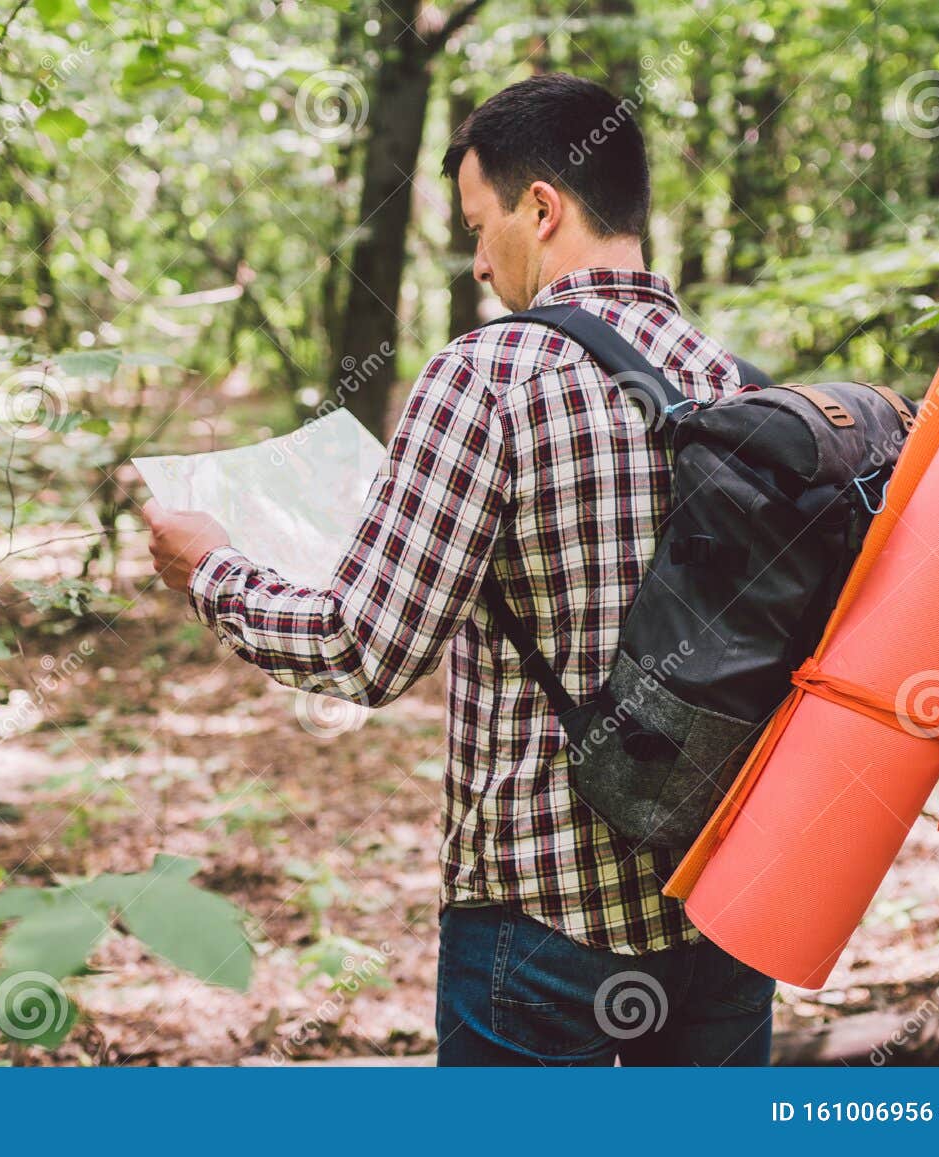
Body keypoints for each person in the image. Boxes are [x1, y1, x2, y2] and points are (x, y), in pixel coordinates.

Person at [144, 73, 775, 1066]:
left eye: (481, 227)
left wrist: (211, 570)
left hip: (543, 913)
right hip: (725, 907)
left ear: (543, 208)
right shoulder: (738, 384)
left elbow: (361, 649)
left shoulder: (486, 375)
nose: (479, 262)